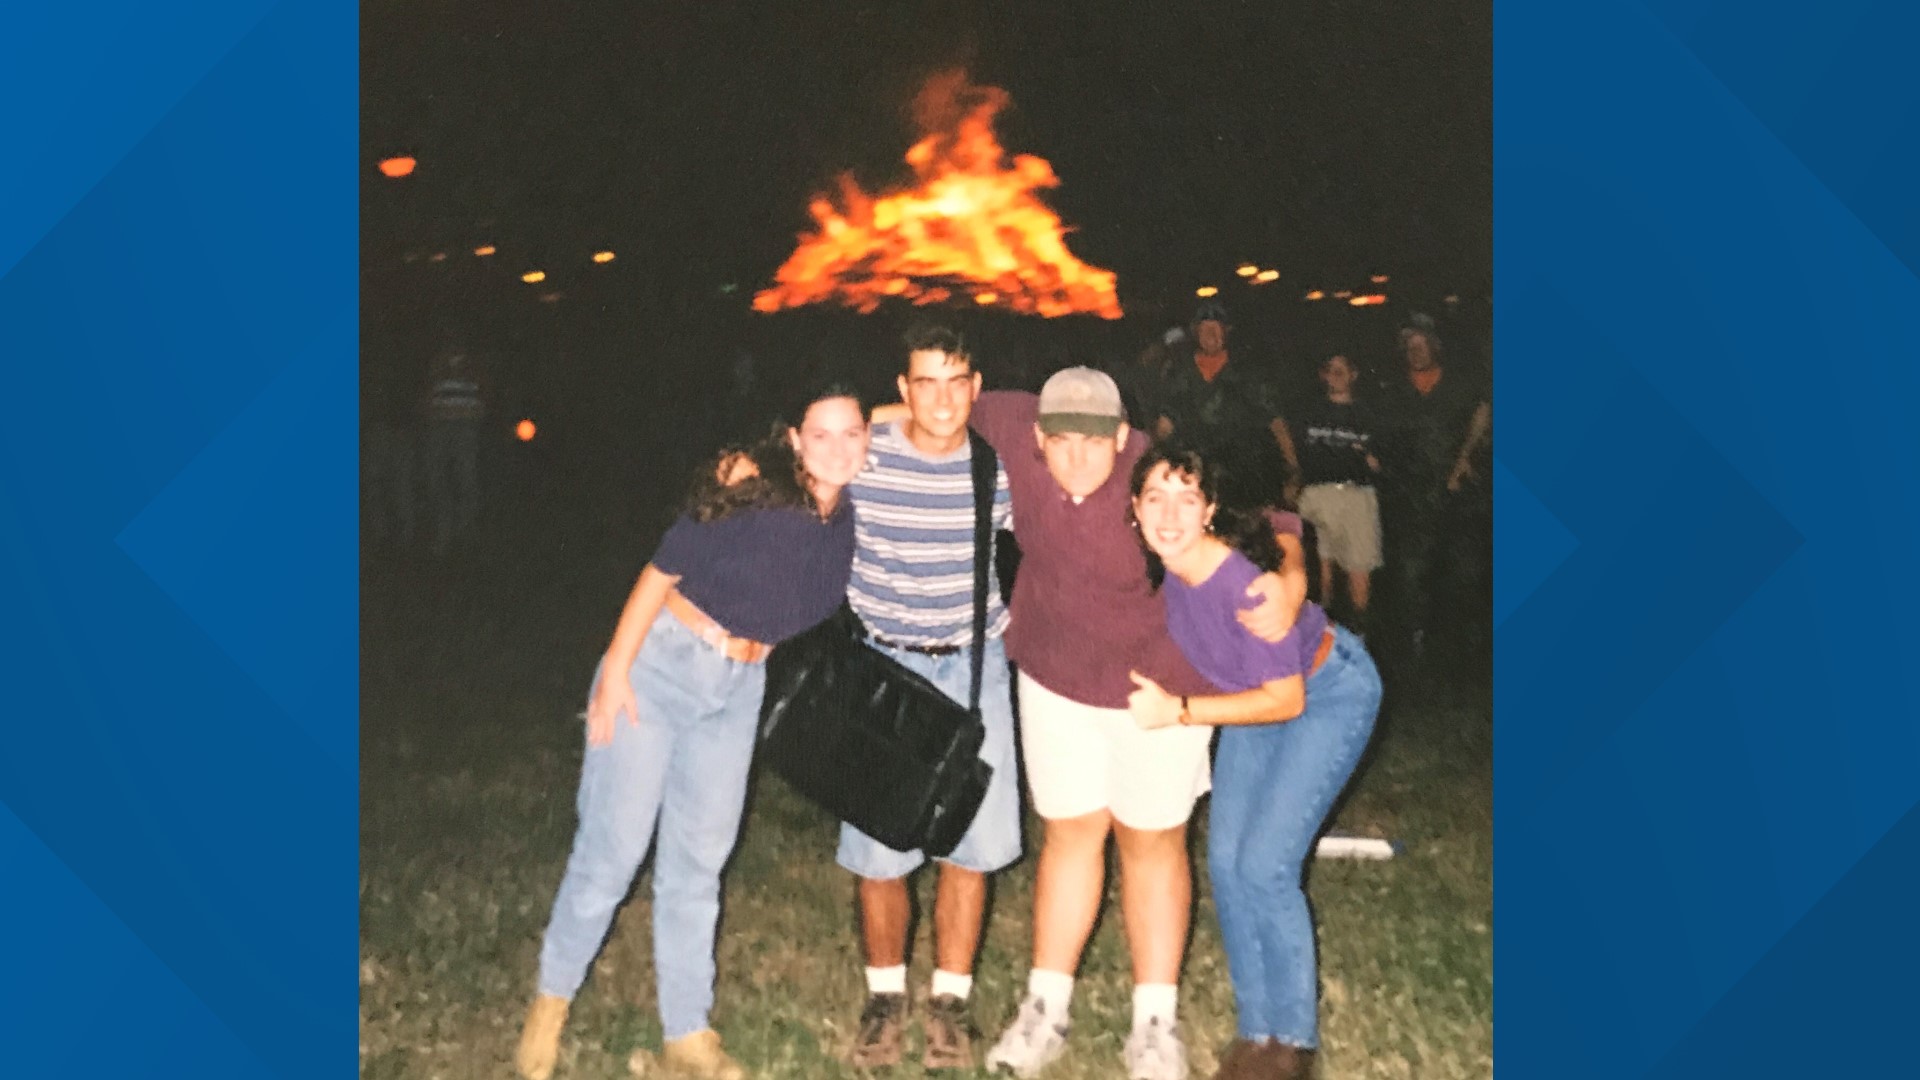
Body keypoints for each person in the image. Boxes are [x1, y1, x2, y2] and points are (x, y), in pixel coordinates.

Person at [931, 367, 1307, 1080]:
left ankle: (1155, 1023)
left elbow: (1277, 520)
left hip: (1160, 692)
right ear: (1038, 436)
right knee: (1070, 836)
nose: (1078, 456)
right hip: (1055, 678)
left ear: (1125, 436)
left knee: (1152, 843)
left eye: (1096, 441)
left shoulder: (1155, 477)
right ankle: (1045, 1007)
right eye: (1062, 440)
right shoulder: (1014, 427)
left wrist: (1289, 583)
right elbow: (935, 400)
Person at [513, 383, 871, 1080]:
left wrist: (876, 414)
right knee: (612, 852)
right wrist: (615, 671)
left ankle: (686, 1034)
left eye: (851, 433)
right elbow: (660, 571)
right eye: (819, 434)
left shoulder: (849, 510)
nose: (837, 447)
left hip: (740, 688)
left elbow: (905, 414)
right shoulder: (754, 490)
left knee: (699, 864)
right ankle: (548, 1007)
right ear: (793, 440)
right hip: (660, 666)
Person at [1124, 443, 1382, 1080]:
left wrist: (1180, 711)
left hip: (1325, 694)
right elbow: (1284, 523)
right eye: (1155, 497)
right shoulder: (1168, 566)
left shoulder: (1239, 585)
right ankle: (1255, 1029)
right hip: (1253, 699)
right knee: (1226, 862)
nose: (1170, 513)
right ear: (1133, 508)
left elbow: (1286, 698)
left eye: (1187, 498)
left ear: (1208, 508)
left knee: (1265, 865)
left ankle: (1291, 1045)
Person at [839, 324, 1019, 1071]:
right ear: (903, 388)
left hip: (976, 672)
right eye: (925, 383)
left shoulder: (994, 468)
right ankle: (885, 997)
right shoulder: (865, 459)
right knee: (881, 849)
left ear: (975, 389)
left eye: (957, 383)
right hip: (886, 670)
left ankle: (950, 1000)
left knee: (968, 848)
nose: (942, 400)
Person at [1376, 315, 1491, 659]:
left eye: (1422, 344)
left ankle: (1466, 646)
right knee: (1411, 573)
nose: (1416, 351)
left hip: (1458, 494)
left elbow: (1485, 408)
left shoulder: (1461, 384)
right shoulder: (1394, 391)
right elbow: (1382, 437)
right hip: (1411, 496)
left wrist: (1466, 457)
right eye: (1410, 346)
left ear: (1435, 346)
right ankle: (1415, 643)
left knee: (1465, 572)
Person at [1155, 301, 1299, 510]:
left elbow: (1276, 423)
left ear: (1227, 331)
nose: (1210, 334)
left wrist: (1292, 469)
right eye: (1204, 329)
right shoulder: (1179, 372)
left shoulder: (1248, 373)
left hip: (1241, 477)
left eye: (1216, 328)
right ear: (1195, 332)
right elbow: (1165, 425)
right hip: (1194, 475)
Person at [1290, 355, 1383, 627]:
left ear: (1354, 374)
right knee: (1320, 575)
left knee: (1359, 573)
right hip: (1317, 496)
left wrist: (1373, 461)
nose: (1336, 374)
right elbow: (1296, 455)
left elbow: (1382, 461)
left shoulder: (1368, 414)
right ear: (1324, 375)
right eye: (1331, 369)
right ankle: (1317, 638)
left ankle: (1359, 637)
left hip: (1356, 497)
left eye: (1342, 369)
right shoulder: (1309, 412)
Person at [420, 347, 486, 555]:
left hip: (466, 426)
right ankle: (444, 534)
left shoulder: (473, 361)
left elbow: (485, 390)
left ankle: (466, 535)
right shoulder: (436, 361)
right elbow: (428, 392)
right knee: (438, 480)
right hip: (439, 426)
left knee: (466, 481)